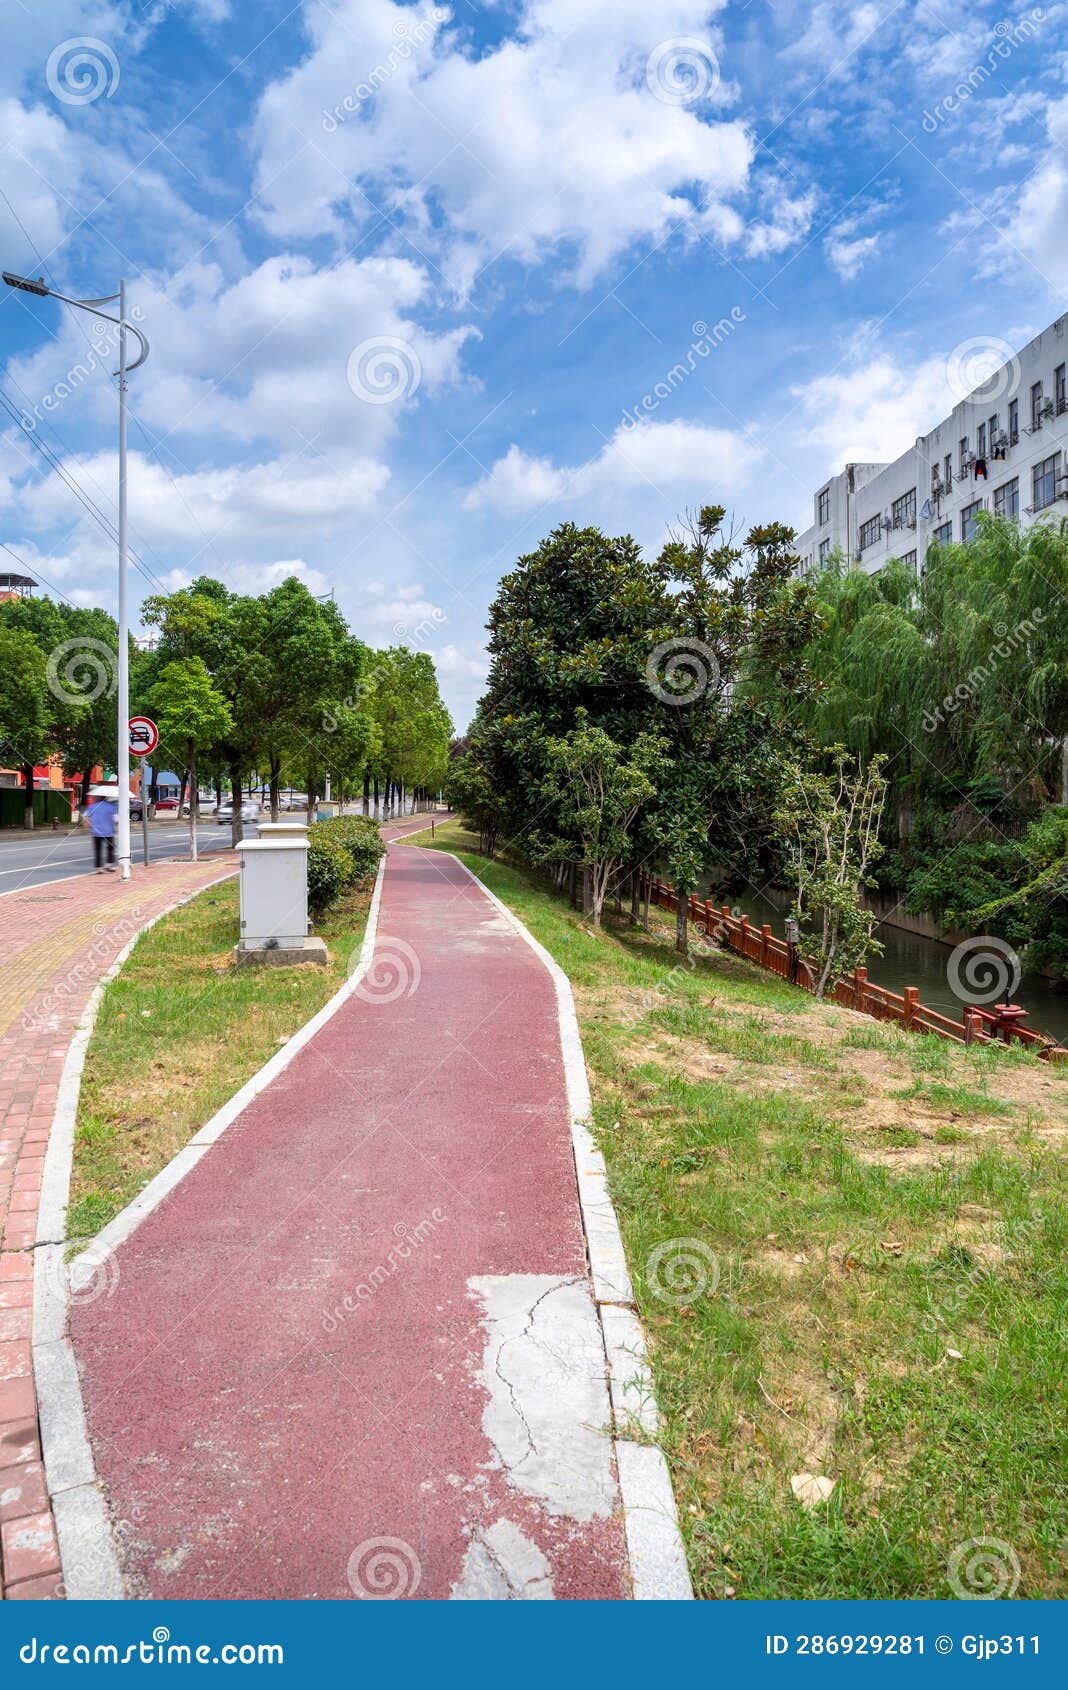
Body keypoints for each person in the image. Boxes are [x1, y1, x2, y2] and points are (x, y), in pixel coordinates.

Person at [88, 793, 117, 873]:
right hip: (108, 832)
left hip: (96, 832)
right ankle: (108, 865)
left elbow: (85, 817)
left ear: (97, 798)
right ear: (105, 798)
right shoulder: (111, 807)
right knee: (111, 848)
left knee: (98, 850)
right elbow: (116, 819)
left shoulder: (92, 806)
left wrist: (91, 824)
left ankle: (99, 868)